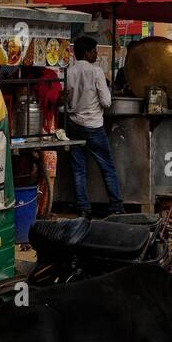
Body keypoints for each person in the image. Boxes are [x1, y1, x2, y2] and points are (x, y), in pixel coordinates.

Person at [65, 35, 124, 218]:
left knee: (78, 168)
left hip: (74, 124)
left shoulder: (69, 72)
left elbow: (65, 99)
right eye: (94, 51)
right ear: (87, 52)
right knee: (107, 167)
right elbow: (106, 102)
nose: (96, 54)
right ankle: (115, 206)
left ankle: (83, 208)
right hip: (94, 126)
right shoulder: (96, 72)